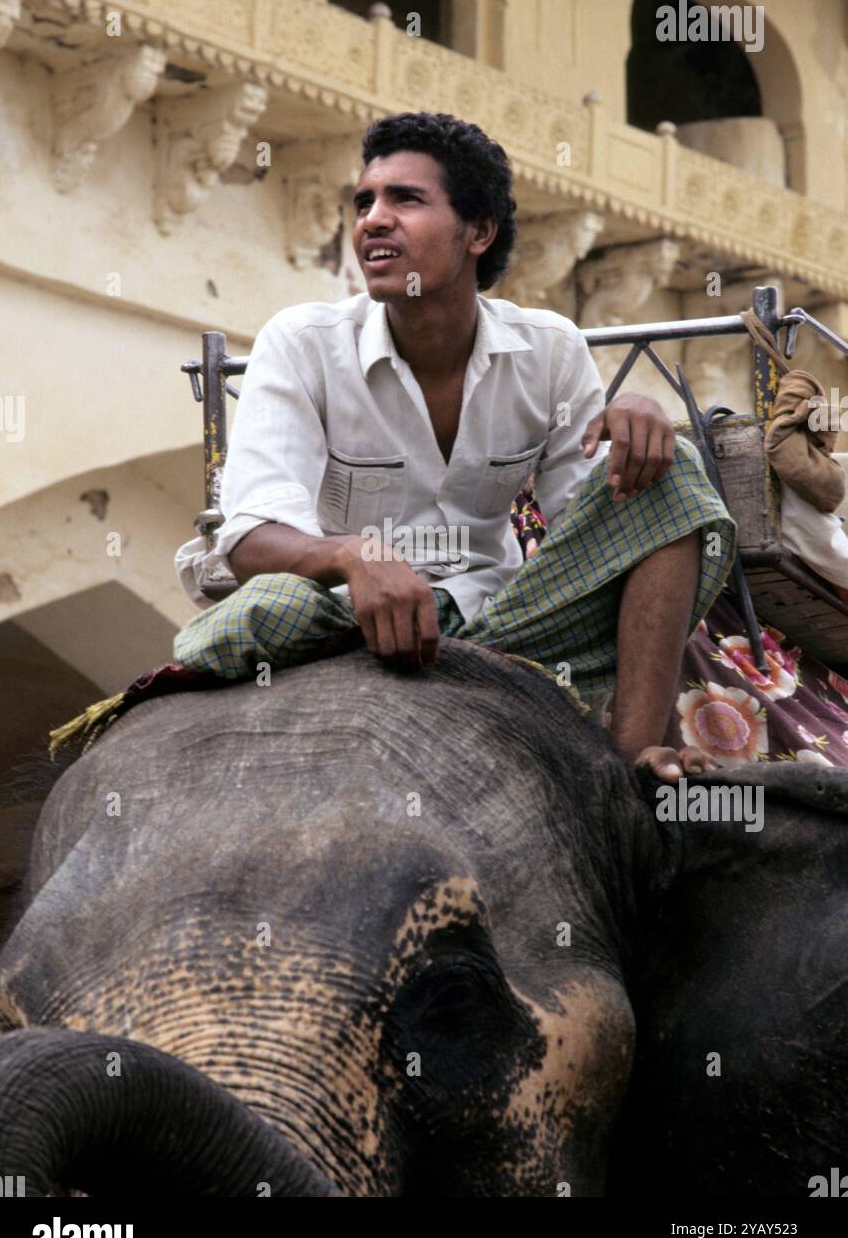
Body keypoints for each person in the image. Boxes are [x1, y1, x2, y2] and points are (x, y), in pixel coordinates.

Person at [174, 112, 735, 781]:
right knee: (259, 613)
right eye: (364, 202)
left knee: (673, 470)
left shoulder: (550, 349)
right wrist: (354, 556)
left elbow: (600, 521)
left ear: (479, 231)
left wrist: (643, 421)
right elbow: (249, 538)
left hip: (510, 624)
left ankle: (633, 762)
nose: (373, 220)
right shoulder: (301, 343)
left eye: (405, 199)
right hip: (351, 618)